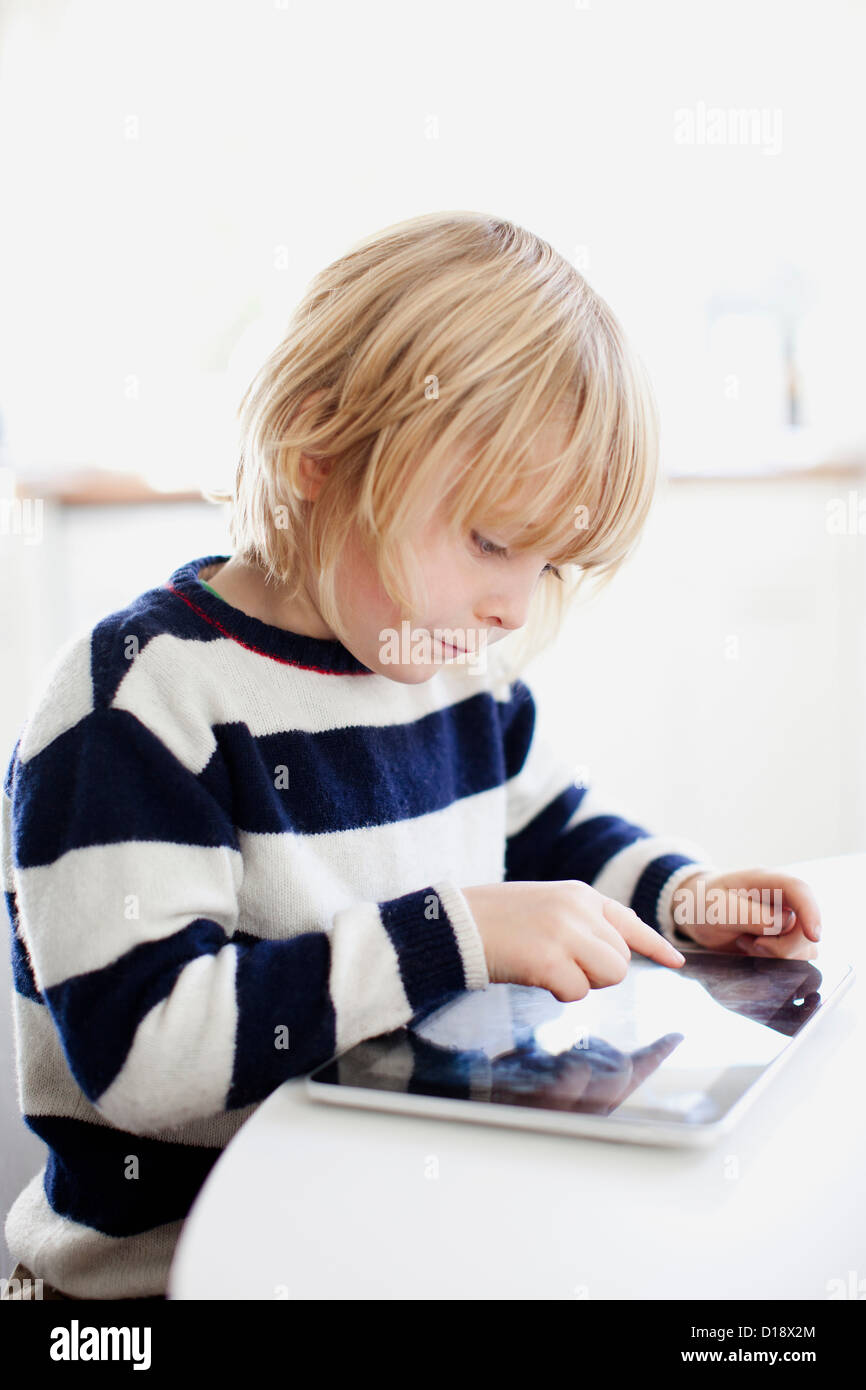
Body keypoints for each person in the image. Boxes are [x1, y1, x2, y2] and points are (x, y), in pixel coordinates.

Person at [0, 210, 822, 1301]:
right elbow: (145, 1054)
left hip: (380, 1228)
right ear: (317, 453)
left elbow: (546, 826)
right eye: (489, 542)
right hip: (155, 1285)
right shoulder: (140, 702)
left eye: (548, 565)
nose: (511, 605)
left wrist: (682, 892)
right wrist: (453, 934)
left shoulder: (453, 667)